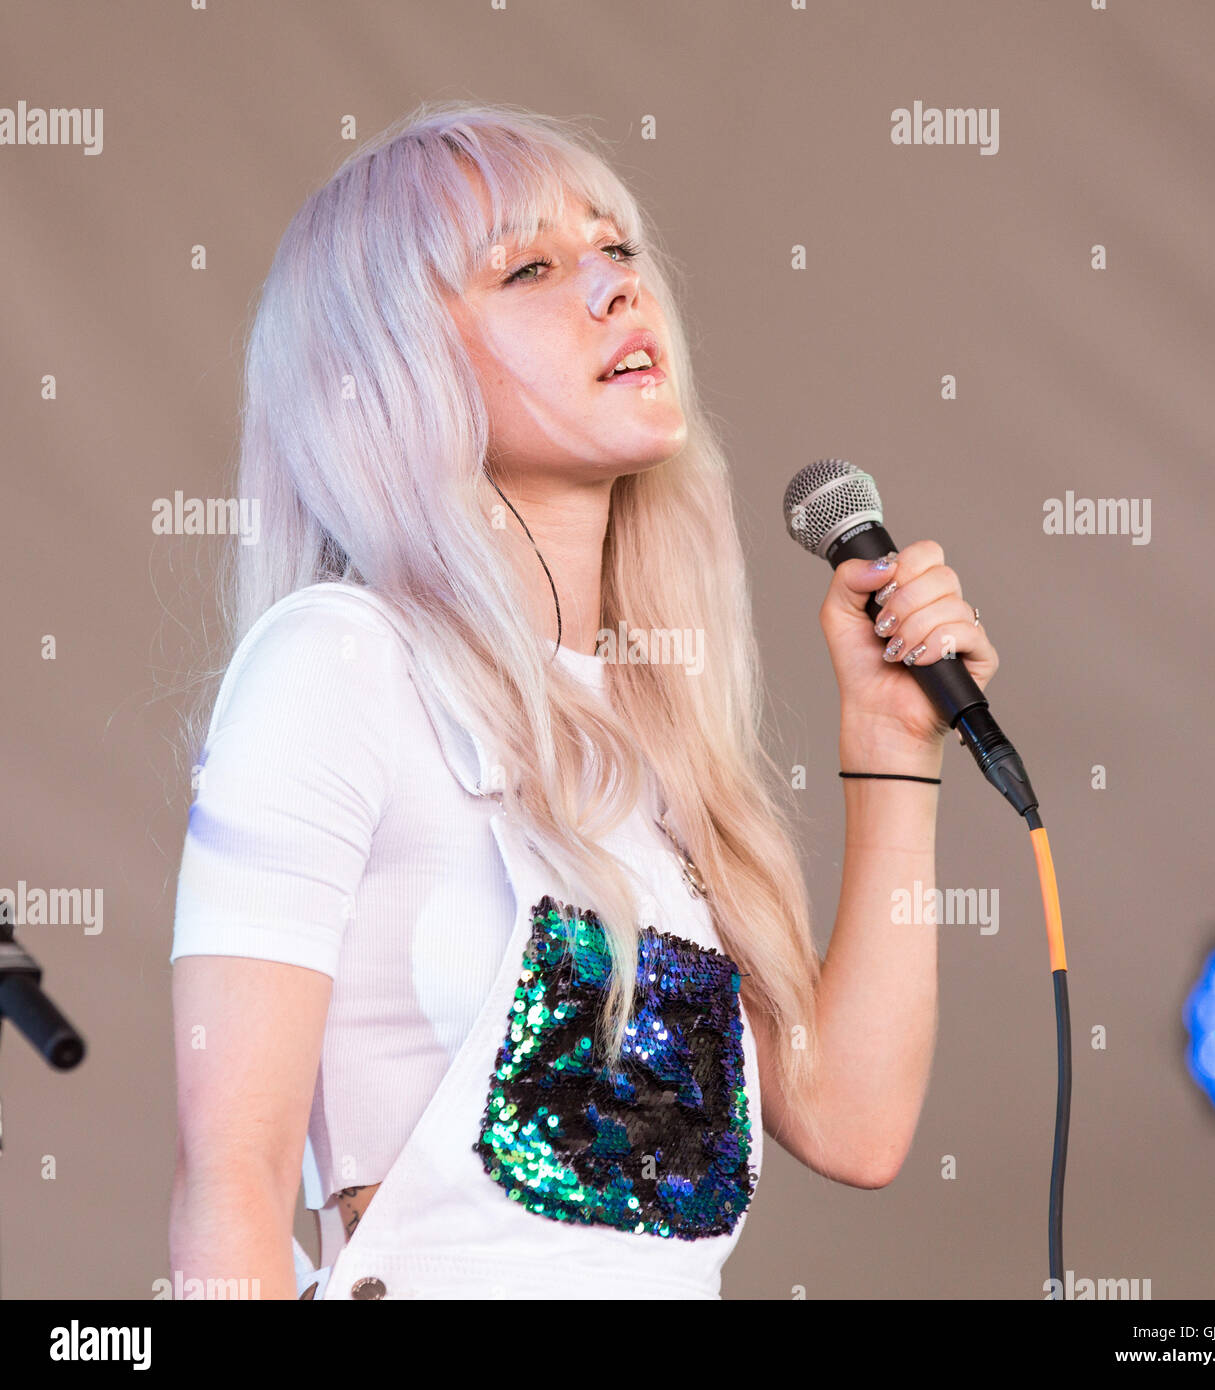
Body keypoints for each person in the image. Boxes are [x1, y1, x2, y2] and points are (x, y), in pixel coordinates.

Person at [168, 99, 998, 1301]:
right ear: (394, 364)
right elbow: (226, 1180)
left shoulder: (656, 732)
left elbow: (855, 1124)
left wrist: (890, 746)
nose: (616, 289)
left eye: (617, 249)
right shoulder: (342, 663)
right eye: (531, 268)